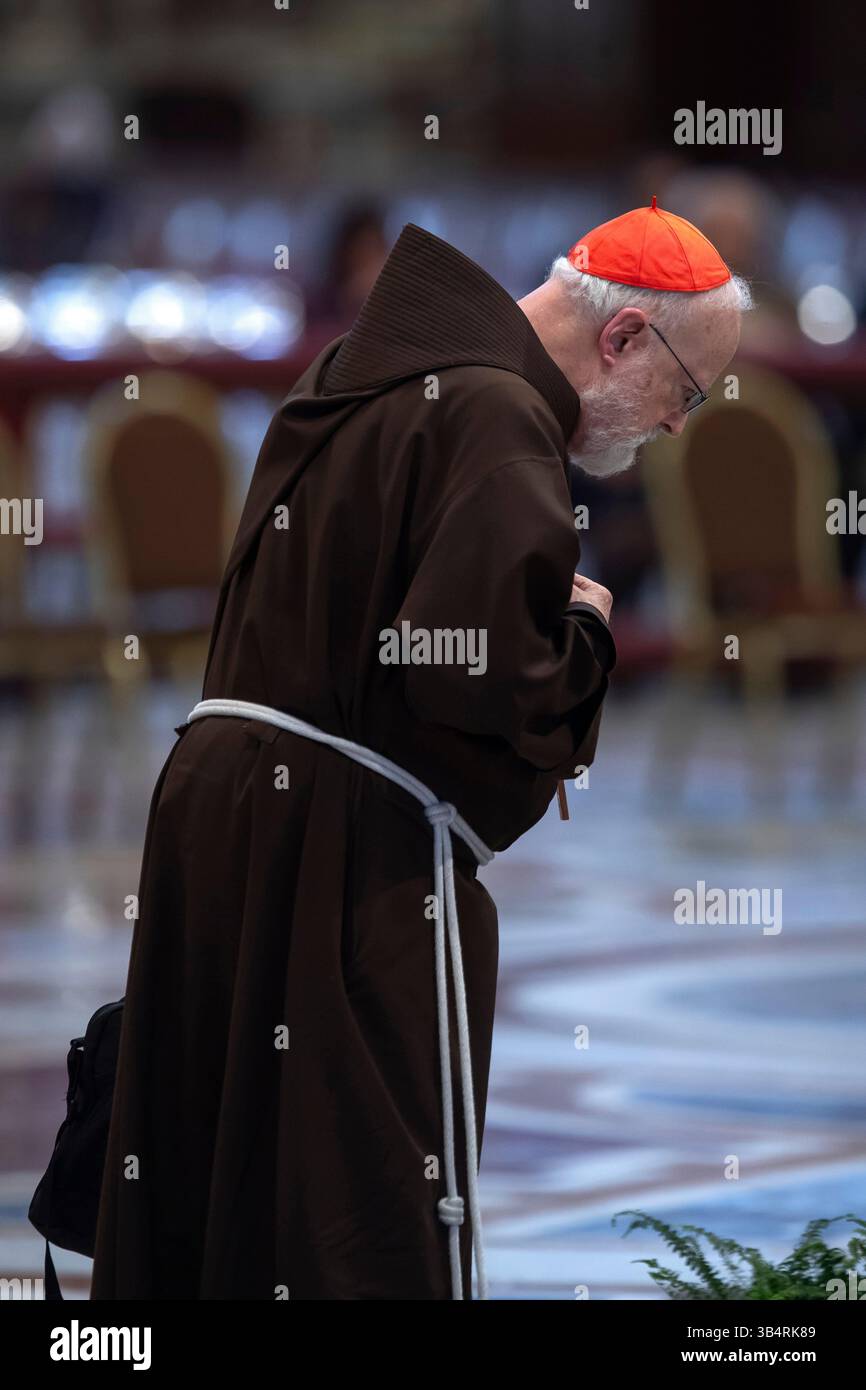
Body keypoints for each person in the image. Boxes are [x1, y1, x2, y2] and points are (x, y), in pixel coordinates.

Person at [90, 201, 749, 1301]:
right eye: (684, 392)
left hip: (226, 809)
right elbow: (477, 682)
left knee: (216, 1185)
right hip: (343, 856)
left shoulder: (369, 362)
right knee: (358, 1203)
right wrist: (580, 627)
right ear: (623, 335)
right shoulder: (494, 418)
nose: (676, 427)